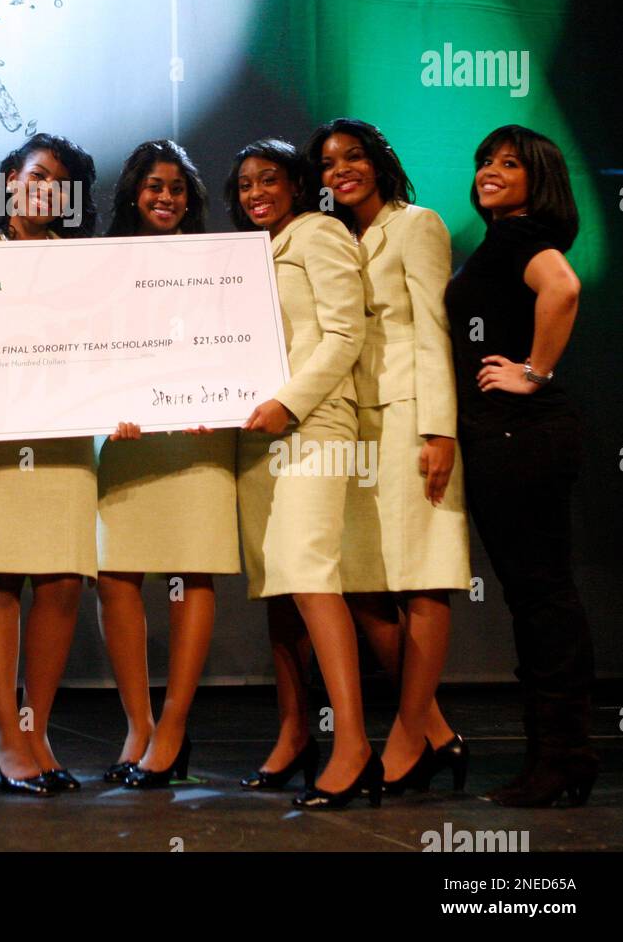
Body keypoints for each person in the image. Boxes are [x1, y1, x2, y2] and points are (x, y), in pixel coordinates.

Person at [306, 118, 471, 795]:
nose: (339, 170)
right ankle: (434, 729)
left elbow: (434, 328)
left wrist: (441, 430)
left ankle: (407, 737)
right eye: (327, 162)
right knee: (364, 580)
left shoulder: (418, 225)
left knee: (423, 576)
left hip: (409, 418)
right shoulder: (340, 239)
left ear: (378, 162)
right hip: (355, 424)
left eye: (352, 157)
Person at [0, 132, 99, 795]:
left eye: (57, 181)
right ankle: (8, 732)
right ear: (8, 180)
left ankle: (37, 729)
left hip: (64, 441)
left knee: (63, 581)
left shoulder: (87, 268)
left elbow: (112, 352)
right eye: (34, 174)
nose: (42, 188)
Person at [444, 125, 595, 807]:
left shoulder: (517, 236)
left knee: (541, 600)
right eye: (484, 162)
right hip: (517, 436)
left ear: (539, 179)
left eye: (509, 163)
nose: (489, 171)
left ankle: (559, 760)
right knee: (541, 598)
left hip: (518, 431)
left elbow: (562, 288)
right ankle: (561, 757)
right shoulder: (503, 238)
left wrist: (532, 373)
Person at [229, 138, 380, 809]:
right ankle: (295, 736)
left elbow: (346, 335)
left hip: (314, 425)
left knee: (312, 575)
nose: (255, 192)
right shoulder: (246, 256)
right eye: (243, 185)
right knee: (280, 587)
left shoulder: (319, 235)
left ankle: (353, 745)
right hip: (258, 435)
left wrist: (287, 402)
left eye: (268, 179)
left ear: (295, 184)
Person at [95, 140, 238, 788]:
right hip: (127, 436)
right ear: (133, 193)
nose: (165, 198)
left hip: (198, 433)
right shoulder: (102, 263)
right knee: (117, 575)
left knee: (192, 570)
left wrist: (225, 395)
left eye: (177, 189)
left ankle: (175, 724)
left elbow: (239, 345)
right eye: (154, 187)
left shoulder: (220, 263)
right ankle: (140, 724)